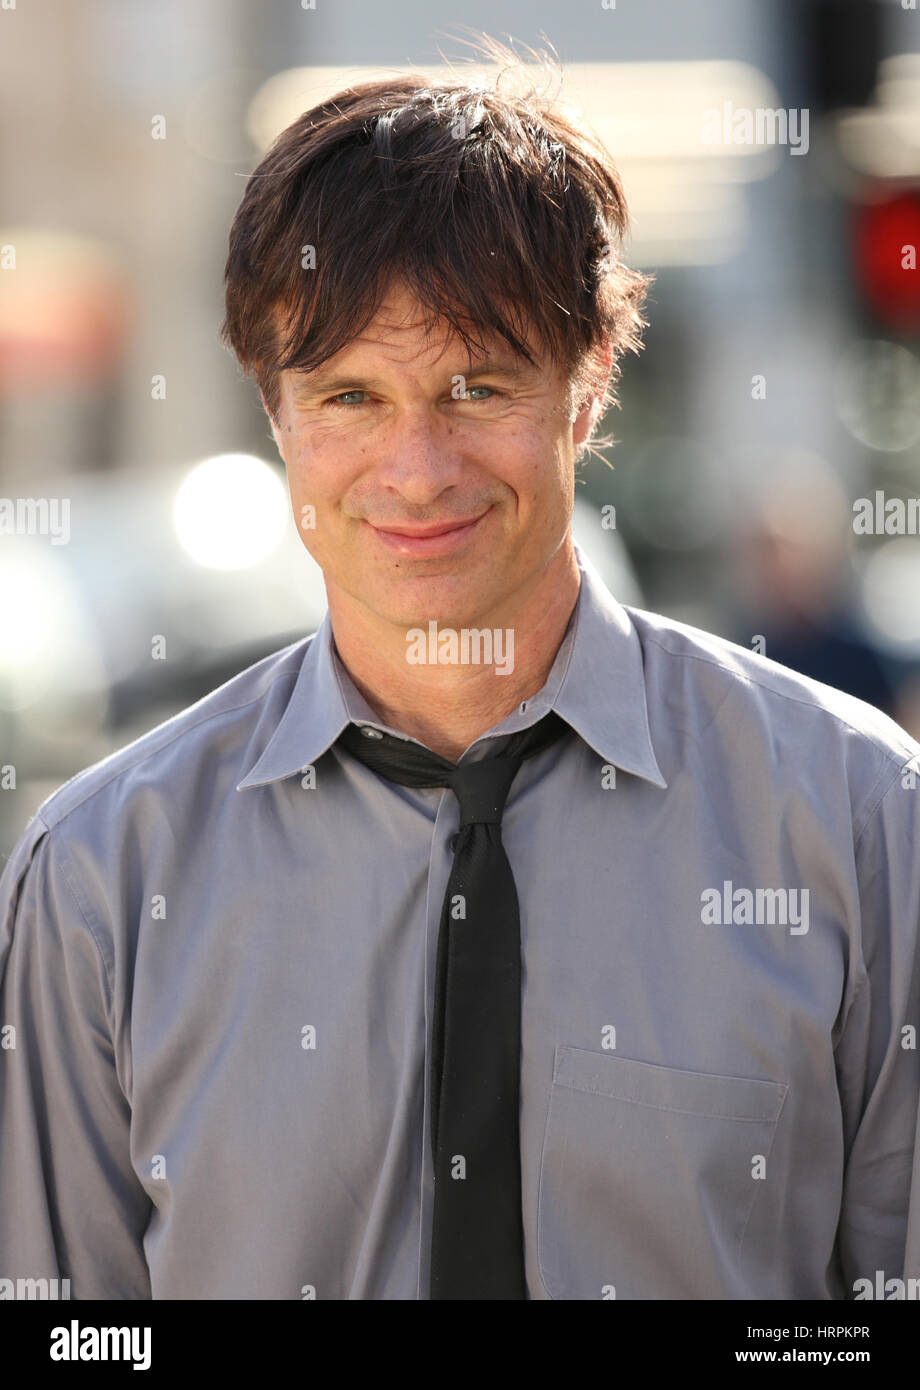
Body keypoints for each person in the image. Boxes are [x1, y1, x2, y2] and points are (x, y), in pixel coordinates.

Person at [2, 41, 920, 1302]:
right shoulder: (101, 875)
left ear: (586, 387)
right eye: (350, 398)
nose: (418, 469)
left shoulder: (860, 822)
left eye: (475, 385)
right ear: (274, 416)